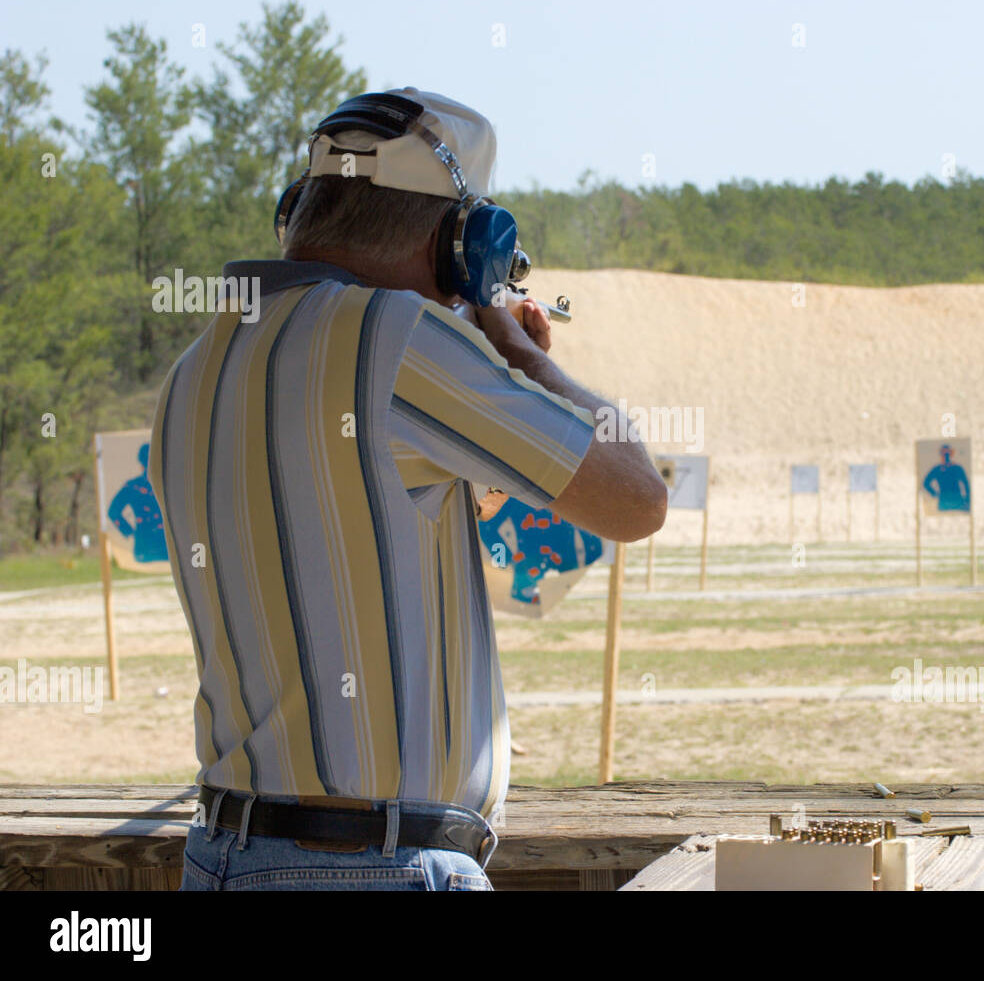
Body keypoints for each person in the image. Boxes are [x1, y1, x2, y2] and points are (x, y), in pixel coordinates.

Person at [149, 88, 666, 891]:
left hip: (222, 856)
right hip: (375, 866)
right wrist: (525, 360)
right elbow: (635, 498)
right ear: (466, 245)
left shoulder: (195, 369)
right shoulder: (395, 339)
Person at [107, 443, 167, 563]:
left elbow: (113, 512)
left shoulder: (133, 486)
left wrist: (129, 532)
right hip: (165, 545)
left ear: (141, 465)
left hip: (145, 545)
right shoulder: (169, 483)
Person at [922, 443, 970, 511]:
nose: (946, 456)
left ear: (951, 454)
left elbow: (966, 484)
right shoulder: (937, 469)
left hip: (957, 501)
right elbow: (926, 483)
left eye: (947, 454)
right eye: (944, 454)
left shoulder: (957, 468)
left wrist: (967, 500)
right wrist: (935, 494)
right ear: (941, 454)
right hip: (944, 501)